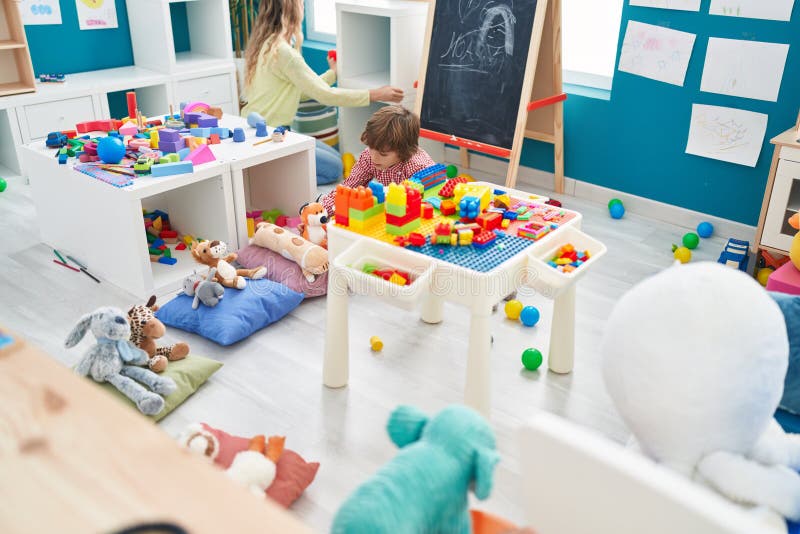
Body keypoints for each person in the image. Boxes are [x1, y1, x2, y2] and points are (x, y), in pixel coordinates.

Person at [241, 0, 403, 185]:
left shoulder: (266, 43)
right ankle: (272, 175)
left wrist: (332, 74)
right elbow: (325, 95)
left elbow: (302, 91)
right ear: (293, 10)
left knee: (334, 157)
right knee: (334, 170)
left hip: (260, 130)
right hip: (270, 137)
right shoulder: (284, 53)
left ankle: (273, 168)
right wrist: (375, 94)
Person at [320, 105, 436, 216]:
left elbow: (426, 207)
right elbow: (348, 188)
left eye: (383, 154)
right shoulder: (369, 156)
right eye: (371, 147)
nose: (374, 157)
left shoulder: (418, 168)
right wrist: (321, 210)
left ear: (403, 152)